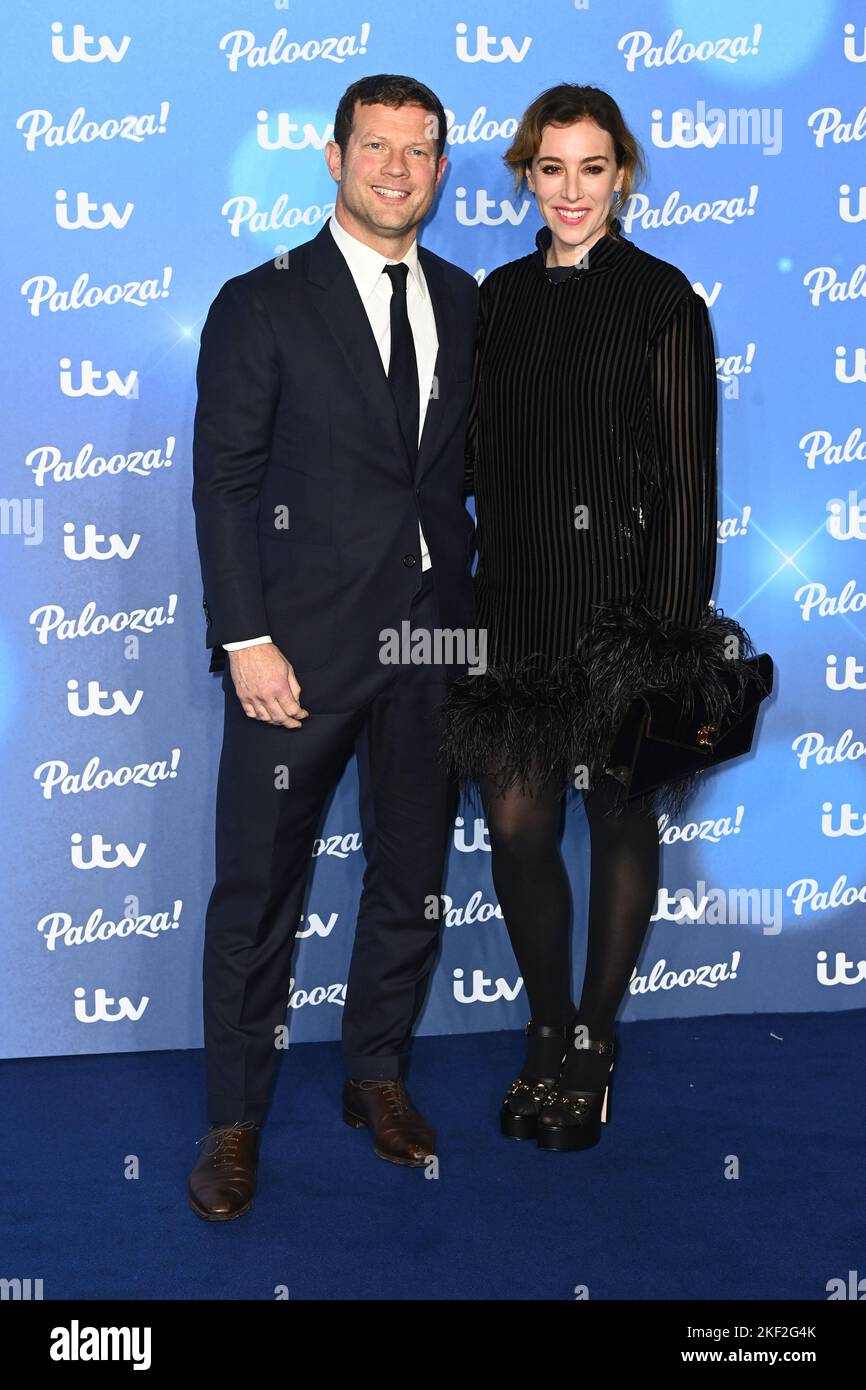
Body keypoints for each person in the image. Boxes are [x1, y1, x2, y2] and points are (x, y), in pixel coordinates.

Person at [440, 84, 761, 1153]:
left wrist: (660, 645)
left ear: (620, 174)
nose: (570, 191)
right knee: (520, 827)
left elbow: (684, 482)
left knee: (620, 820)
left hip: (625, 610)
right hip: (515, 606)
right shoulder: (497, 297)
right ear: (525, 176)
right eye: (549, 168)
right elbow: (472, 460)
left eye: (591, 169)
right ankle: (543, 1020)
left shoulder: (663, 298)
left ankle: (593, 1042)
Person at [189, 74, 478, 1218]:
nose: (397, 167)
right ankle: (233, 1119)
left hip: (434, 642)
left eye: (419, 149)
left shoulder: (464, 298)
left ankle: (376, 1076)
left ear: (442, 169)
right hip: (294, 653)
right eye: (376, 145)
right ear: (332, 156)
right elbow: (224, 486)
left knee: (410, 878)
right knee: (258, 891)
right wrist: (244, 638)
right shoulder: (259, 302)